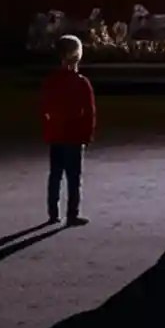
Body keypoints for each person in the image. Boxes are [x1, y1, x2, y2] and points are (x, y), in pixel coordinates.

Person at [40, 34, 95, 226]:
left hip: (56, 136)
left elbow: (44, 108)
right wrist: (87, 136)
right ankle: (72, 213)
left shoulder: (50, 82)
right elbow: (89, 113)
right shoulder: (81, 83)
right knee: (74, 178)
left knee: (55, 175)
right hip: (74, 136)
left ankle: (53, 213)